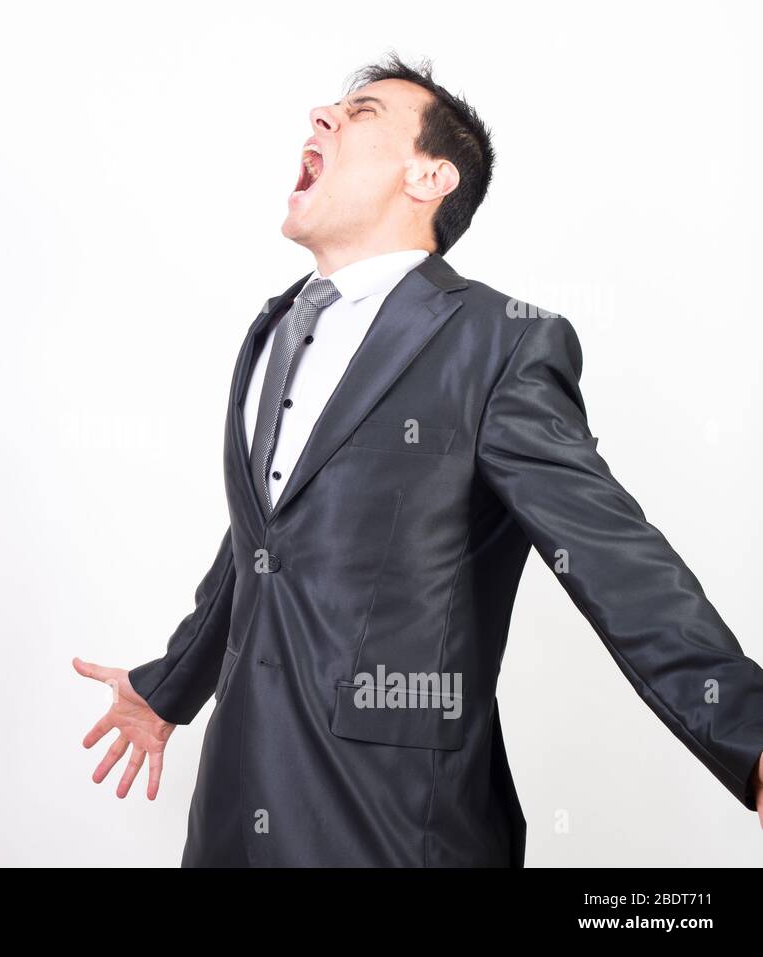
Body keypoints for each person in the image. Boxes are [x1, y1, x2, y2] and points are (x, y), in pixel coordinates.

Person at [73, 54, 763, 866]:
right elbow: (261, 538)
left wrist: (748, 736)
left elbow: (613, 554)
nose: (321, 117)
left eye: (361, 112)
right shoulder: (273, 328)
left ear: (430, 177)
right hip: (233, 810)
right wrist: (169, 687)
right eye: (329, 108)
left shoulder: (499, 341)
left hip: (395, 823)